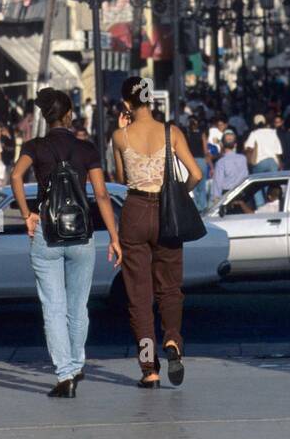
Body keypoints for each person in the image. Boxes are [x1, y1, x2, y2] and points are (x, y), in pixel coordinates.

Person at [11, 87, 122, 398]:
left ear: (45, 118)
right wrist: (114, 237)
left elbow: (16, 176)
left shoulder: (35, 146)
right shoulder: (87, 149)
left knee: (54, 307)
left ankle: (64, 376)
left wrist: (26, 214)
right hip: (82, 235)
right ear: (69, 115)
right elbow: (101, 195)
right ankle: (77, 363)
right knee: (78, 306)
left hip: (47, 231)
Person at [112, 75, 202, 388]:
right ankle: (173, 340)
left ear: (126, 104)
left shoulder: (119, 137)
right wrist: (179, 195)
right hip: (167, 212)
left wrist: (123, 127)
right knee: (170, 287)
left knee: (138, 295)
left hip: (135, 211)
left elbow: (122, 177)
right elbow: (196, 174)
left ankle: (149, 367)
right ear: (152, 100)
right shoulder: (171, 132)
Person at [210, 130, 249, 201]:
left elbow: (218, 183)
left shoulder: (220, 162)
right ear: (235, 145)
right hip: (243, 193)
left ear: (222, 144)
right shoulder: (243, 159)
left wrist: (215, 198)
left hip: (227, 195)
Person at [184, 110, 210, 212]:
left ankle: (195, 207)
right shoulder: (202, 134)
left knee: (193, 186)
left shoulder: (187, 135)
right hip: (201, 160)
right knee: (202, 186)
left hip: (191, 160)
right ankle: (203, 206)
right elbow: (205, 149)